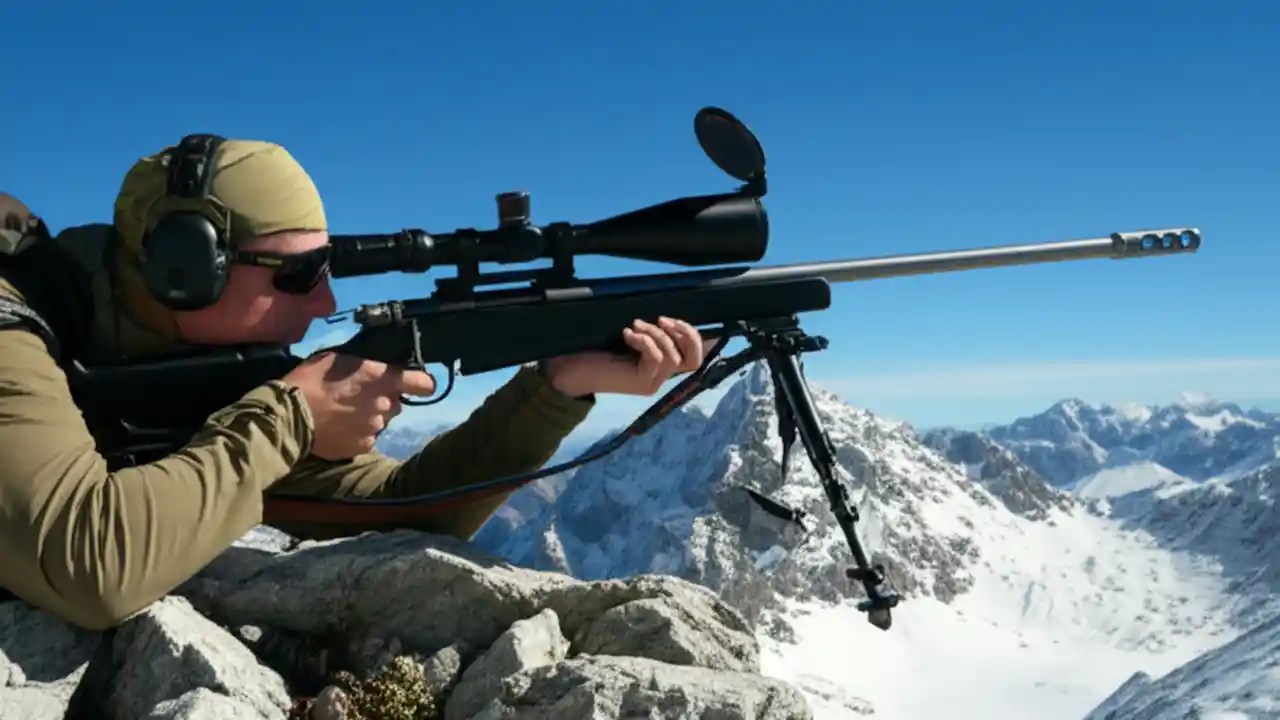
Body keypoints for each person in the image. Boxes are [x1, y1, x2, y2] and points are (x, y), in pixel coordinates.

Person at [0, 136, 707, 631]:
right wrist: (290, 417)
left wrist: (557, 387)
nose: (324, 304)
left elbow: (408, 510)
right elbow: (87, 567)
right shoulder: (11, 327)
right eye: (299, 274)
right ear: (186, 268)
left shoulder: (205, 366)